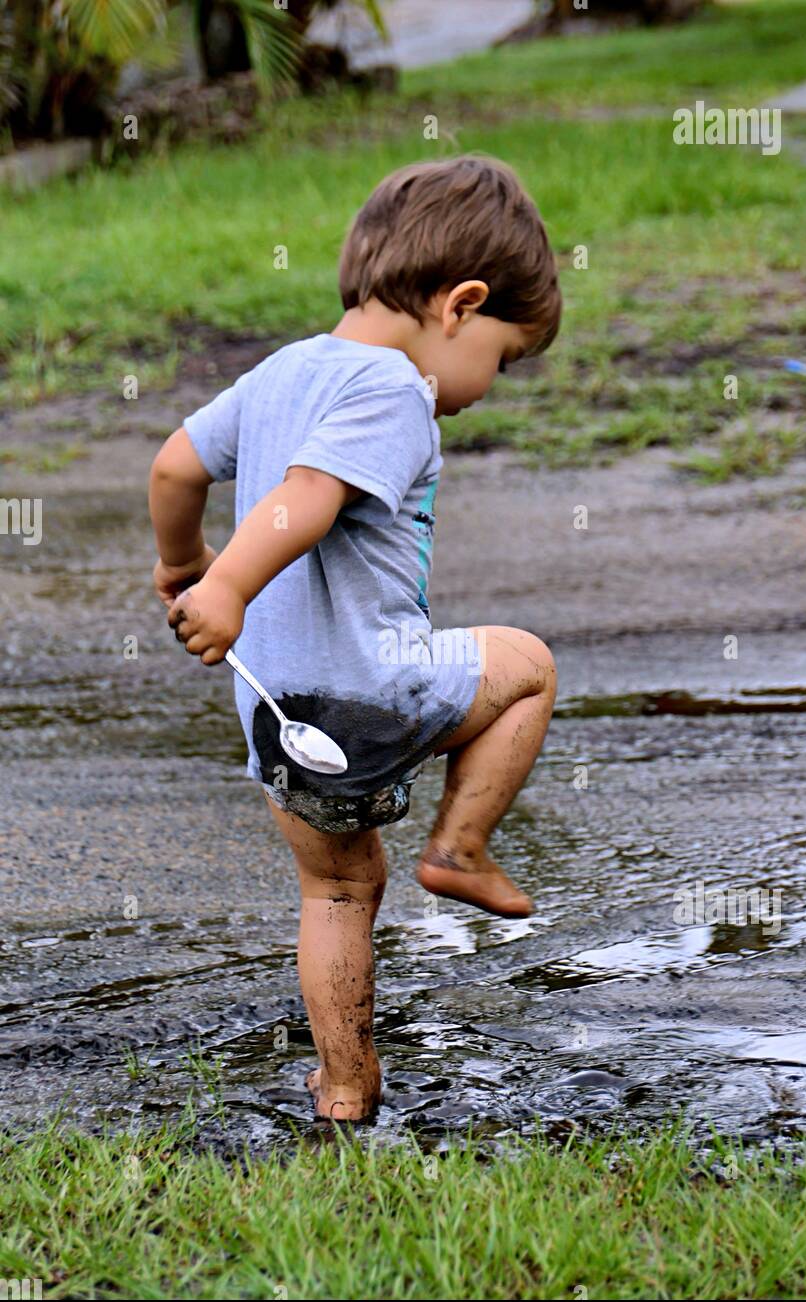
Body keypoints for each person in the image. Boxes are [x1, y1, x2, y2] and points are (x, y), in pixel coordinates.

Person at [148, 155, 561, 1122]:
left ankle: (343, 1087)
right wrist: (229, 588)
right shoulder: (390, 390)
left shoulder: (278, 372)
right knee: (528, 666)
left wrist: (184, 566)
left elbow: (174, 467)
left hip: (281, 710)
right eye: (501, 358)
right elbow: (307, 500)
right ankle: (460, 845)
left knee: (336, 891)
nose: (486, 388)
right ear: (459, 305)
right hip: (373, 684)